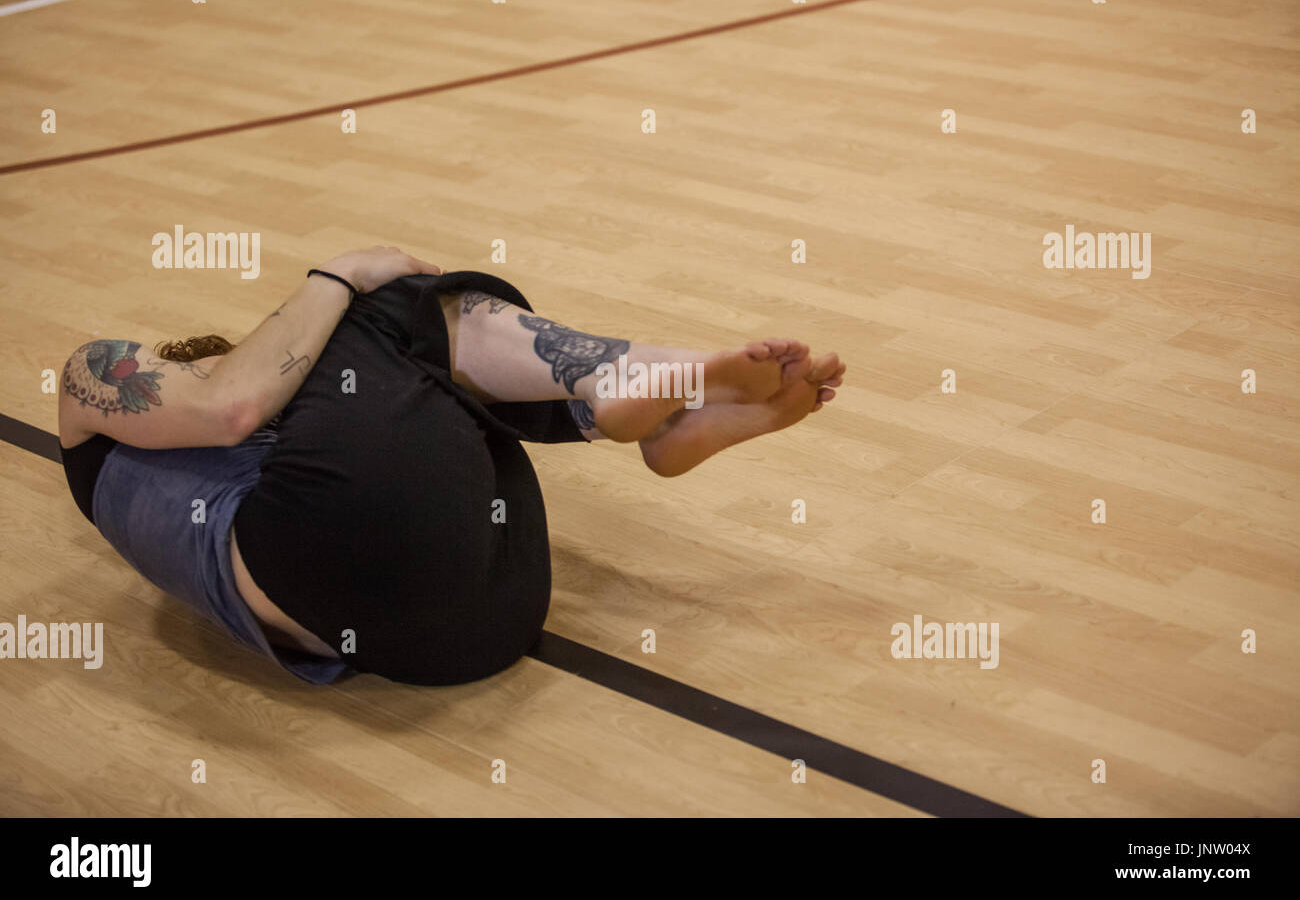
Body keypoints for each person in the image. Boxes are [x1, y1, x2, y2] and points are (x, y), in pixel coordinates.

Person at [58, 247, 845, 685]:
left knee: (429, 370)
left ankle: (658, 411)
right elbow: (232, 403)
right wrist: (333, 276)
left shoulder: (283, 440)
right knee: (391, 306)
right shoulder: (93, 374)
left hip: (472, 623)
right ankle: (637, 390)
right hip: (346, 571)